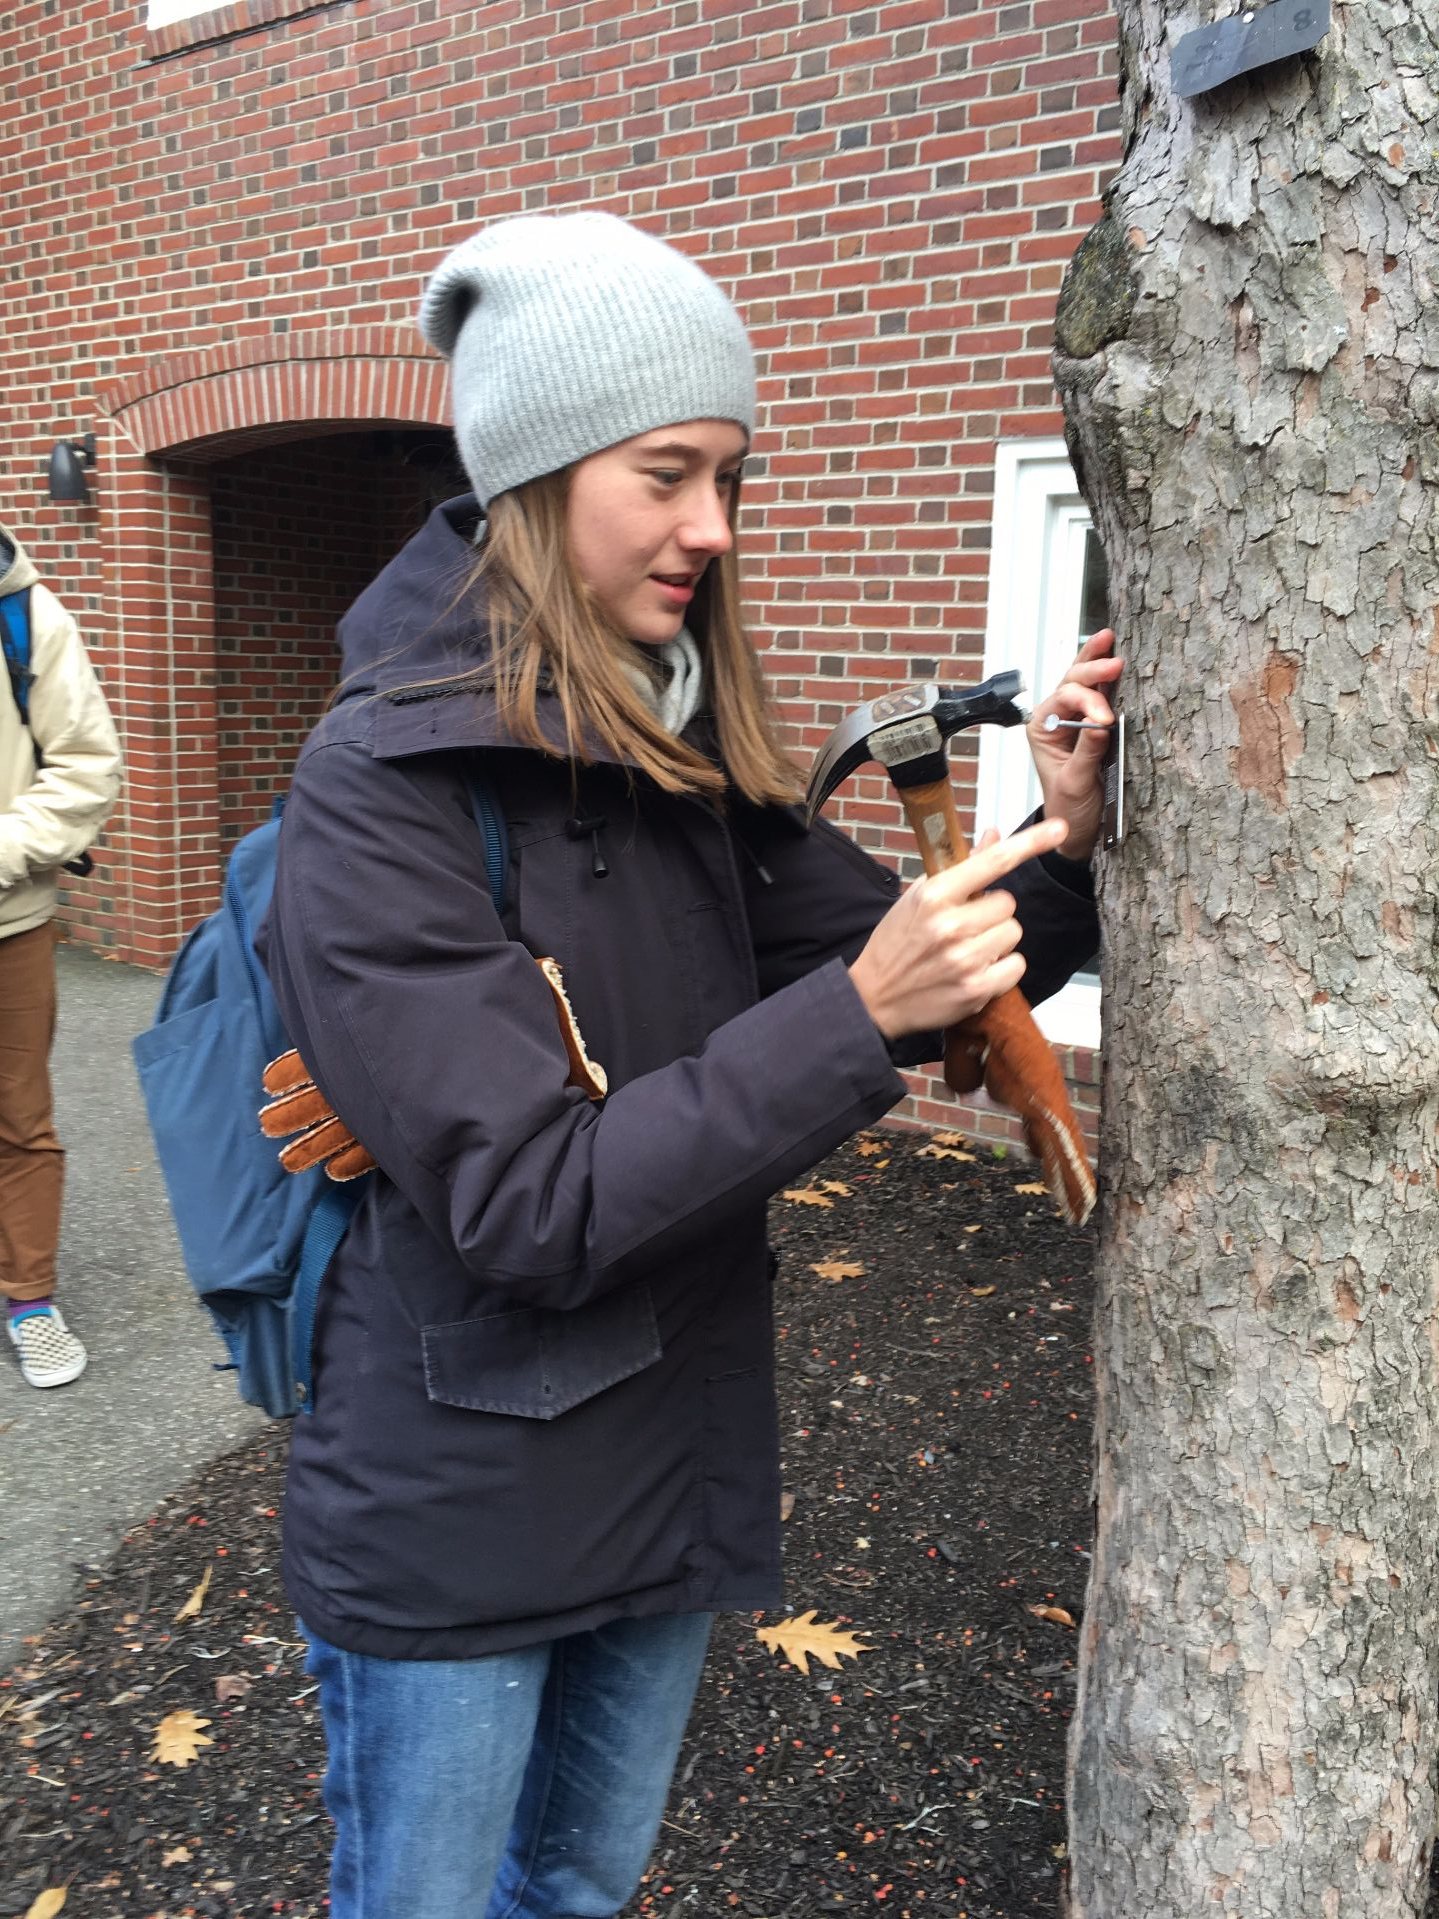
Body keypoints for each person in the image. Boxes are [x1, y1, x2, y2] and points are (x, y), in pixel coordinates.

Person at [258, 211, 1121, 1919]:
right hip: (450, 1486)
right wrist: (858, 1010)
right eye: (665, 472)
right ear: (538, 464)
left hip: (657, 1441)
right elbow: (525, 1203)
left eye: (727, 475)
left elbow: (916, 968)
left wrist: (1063, 843)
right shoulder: (376, 790)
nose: (710, 527)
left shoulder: (675, 751)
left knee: (577, 1885)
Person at [0, 526, 122, 1388]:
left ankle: (29, 1298)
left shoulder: (25, 614)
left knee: (17, 1119)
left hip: (7, 921)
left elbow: (85, 765)